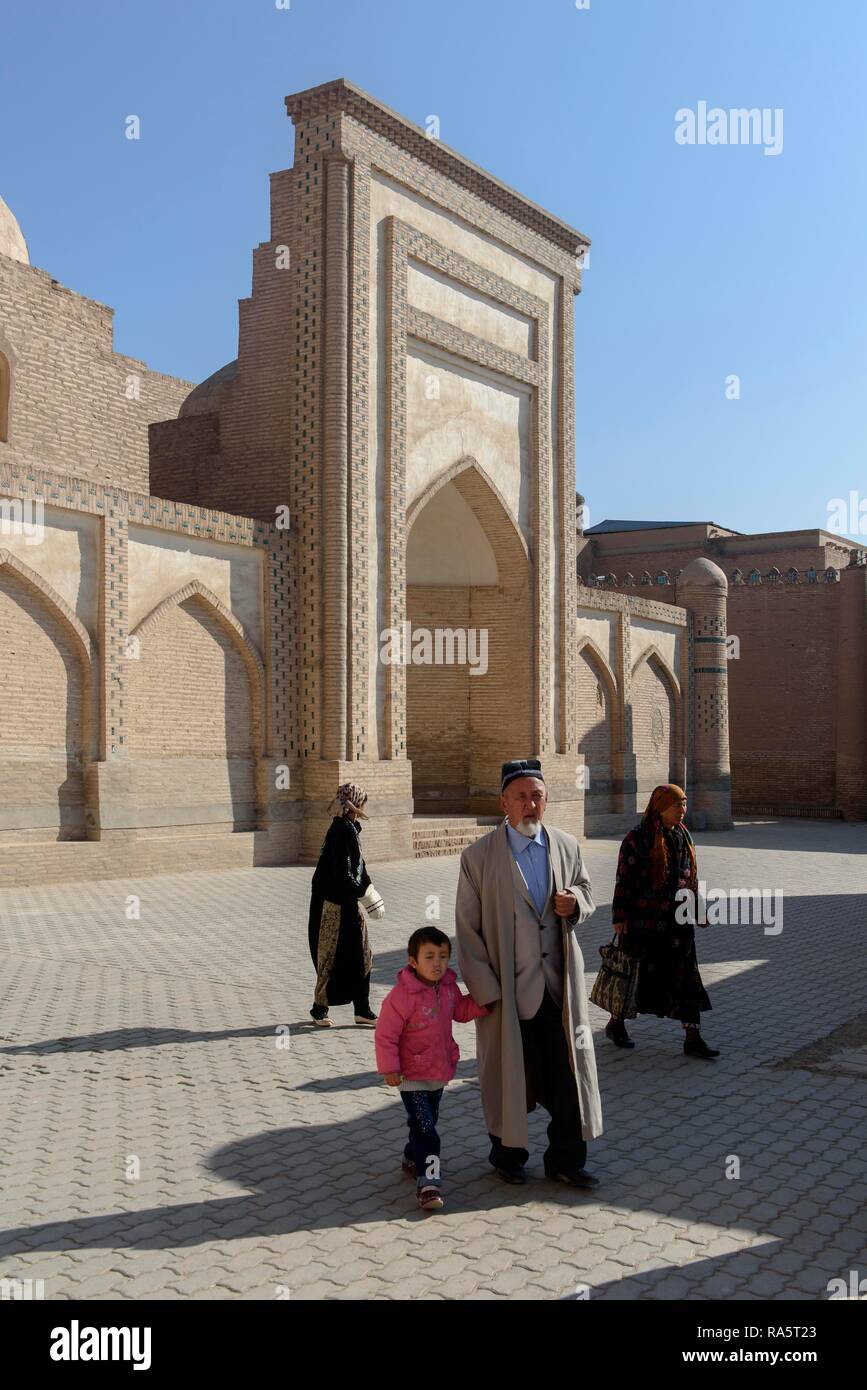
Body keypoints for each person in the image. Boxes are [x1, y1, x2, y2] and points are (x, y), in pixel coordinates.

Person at [455, 759, 603, 1188]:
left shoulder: (566, 846)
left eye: (536, 795)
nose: (530, 804)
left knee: (566, 1077)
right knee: (509, 1077)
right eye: (520, 796)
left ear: (546, 800)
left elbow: (588, 889)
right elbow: (467, 930)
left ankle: (566, 1160)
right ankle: (508, 1156)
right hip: (508, 994)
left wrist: (575, 901)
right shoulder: (478, 857)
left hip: (559, 992)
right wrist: (486, 991)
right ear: (504, 802)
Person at [375, 927, 488, 1212]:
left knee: (425, 1122)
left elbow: (460, 1011)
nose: (437, 963)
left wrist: (484, 1003)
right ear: (413, 961)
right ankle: (429, 1182)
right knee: (428, 1129)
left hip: (438, 1071)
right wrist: (389, 1067)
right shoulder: (402, 996)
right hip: (410, 1075)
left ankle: (412, 1158)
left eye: (443, 956)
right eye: (429, 957)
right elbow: (385, 1034)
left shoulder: (449, 987)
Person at [605, 783, 719, 1058]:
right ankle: (616, 1024)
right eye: (676, 805)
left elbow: (688, 878)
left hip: (677, 925)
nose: (682, 810)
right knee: (634, 978)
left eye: (684, 803)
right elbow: (624, 880)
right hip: (643, 925)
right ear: (660, 807)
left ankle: (692, 1037)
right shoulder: (637, 839)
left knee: (687, 978)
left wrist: (698, 909)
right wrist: (620, 917)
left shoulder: (683, 836)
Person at [308, 782, 385, 1028]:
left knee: (360, 954)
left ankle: (361, 1009)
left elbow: (357, 868)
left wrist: (367, 889)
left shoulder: (345, 827)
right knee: (332, 956)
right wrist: (365, 895)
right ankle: (321, 1009)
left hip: (341, 902)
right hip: (335, 906)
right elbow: (344, 874)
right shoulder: (343, 830)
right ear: (355, 804)